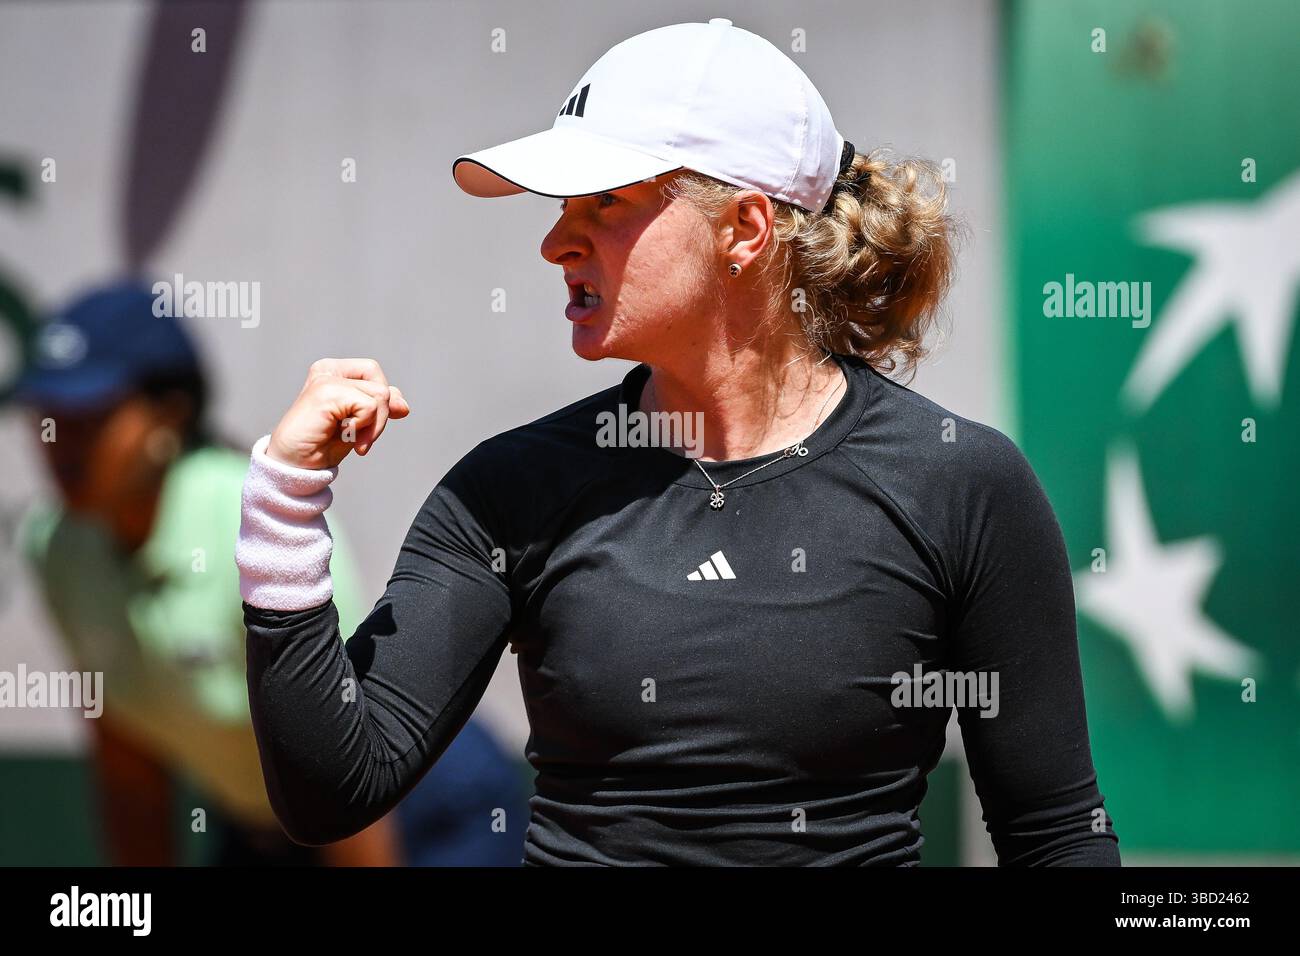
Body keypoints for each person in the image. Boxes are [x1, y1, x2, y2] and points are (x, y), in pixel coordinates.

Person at [236, 18, 1121, 865]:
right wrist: (283, 500)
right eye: (561, 205)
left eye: (607, 202)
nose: (555, 242)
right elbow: (330, 794)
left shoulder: (961, 483)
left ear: (744, 230)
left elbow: (1055, 838)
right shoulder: (506, 490)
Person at [14, 280, 399, 866]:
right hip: (262, 832)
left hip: (403, 820)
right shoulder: (56, 546)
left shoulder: (246, 523)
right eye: (49, 414)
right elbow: (127, 763)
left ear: (169, 414)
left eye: (91, 414)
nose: (60, 441)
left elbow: (345, 759)